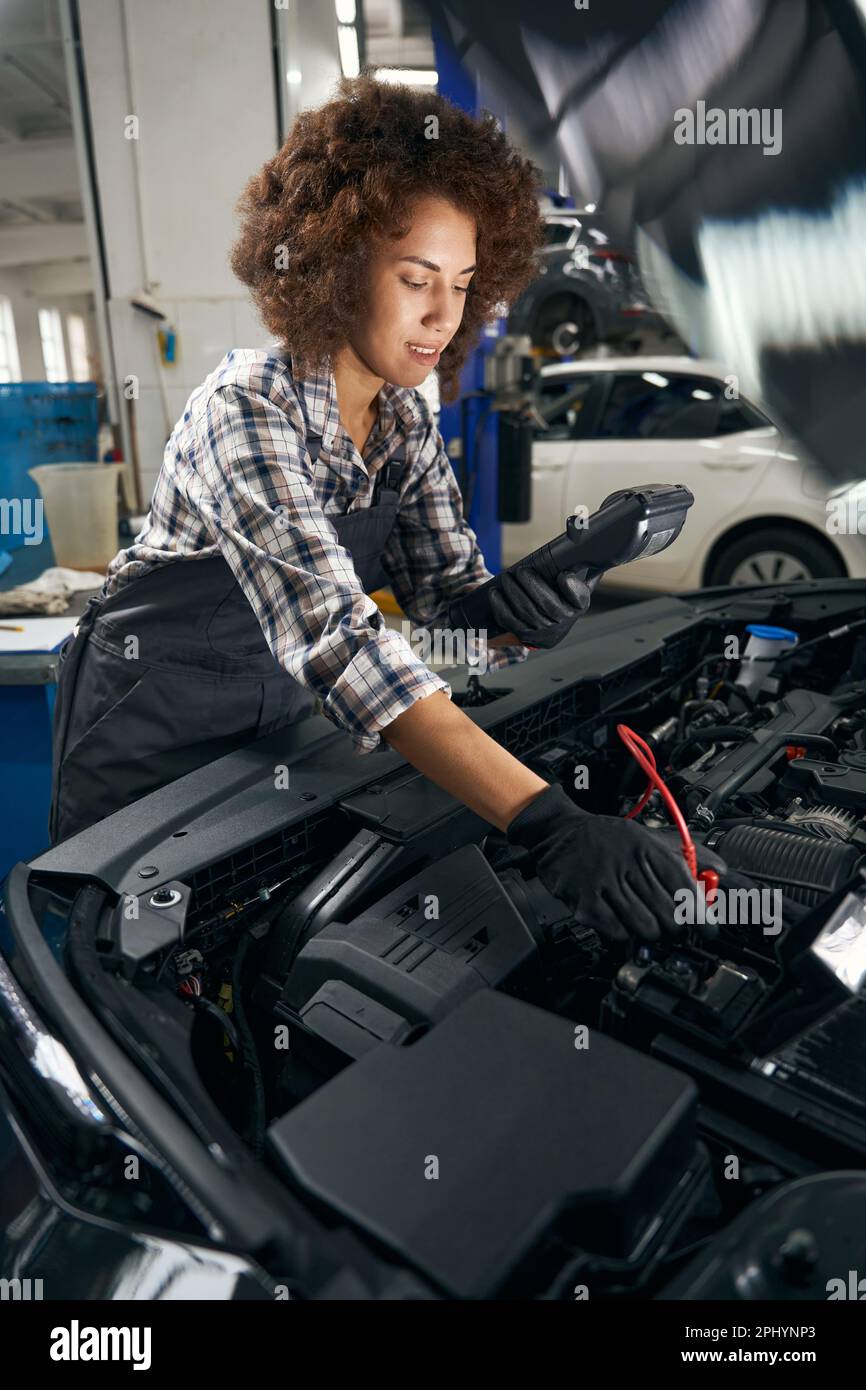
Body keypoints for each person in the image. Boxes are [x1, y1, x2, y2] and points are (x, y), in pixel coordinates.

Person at [48, 75, 691, 943]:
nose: (442, 315)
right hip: (144, 761)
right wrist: (547, 822)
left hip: (264, 751)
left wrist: (517, 609)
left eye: (463, 284)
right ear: (338, 263)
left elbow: (446, 618)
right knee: (127, 982)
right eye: (417, 278)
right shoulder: (245, 408)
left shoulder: (403, 421)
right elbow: (346, 646)